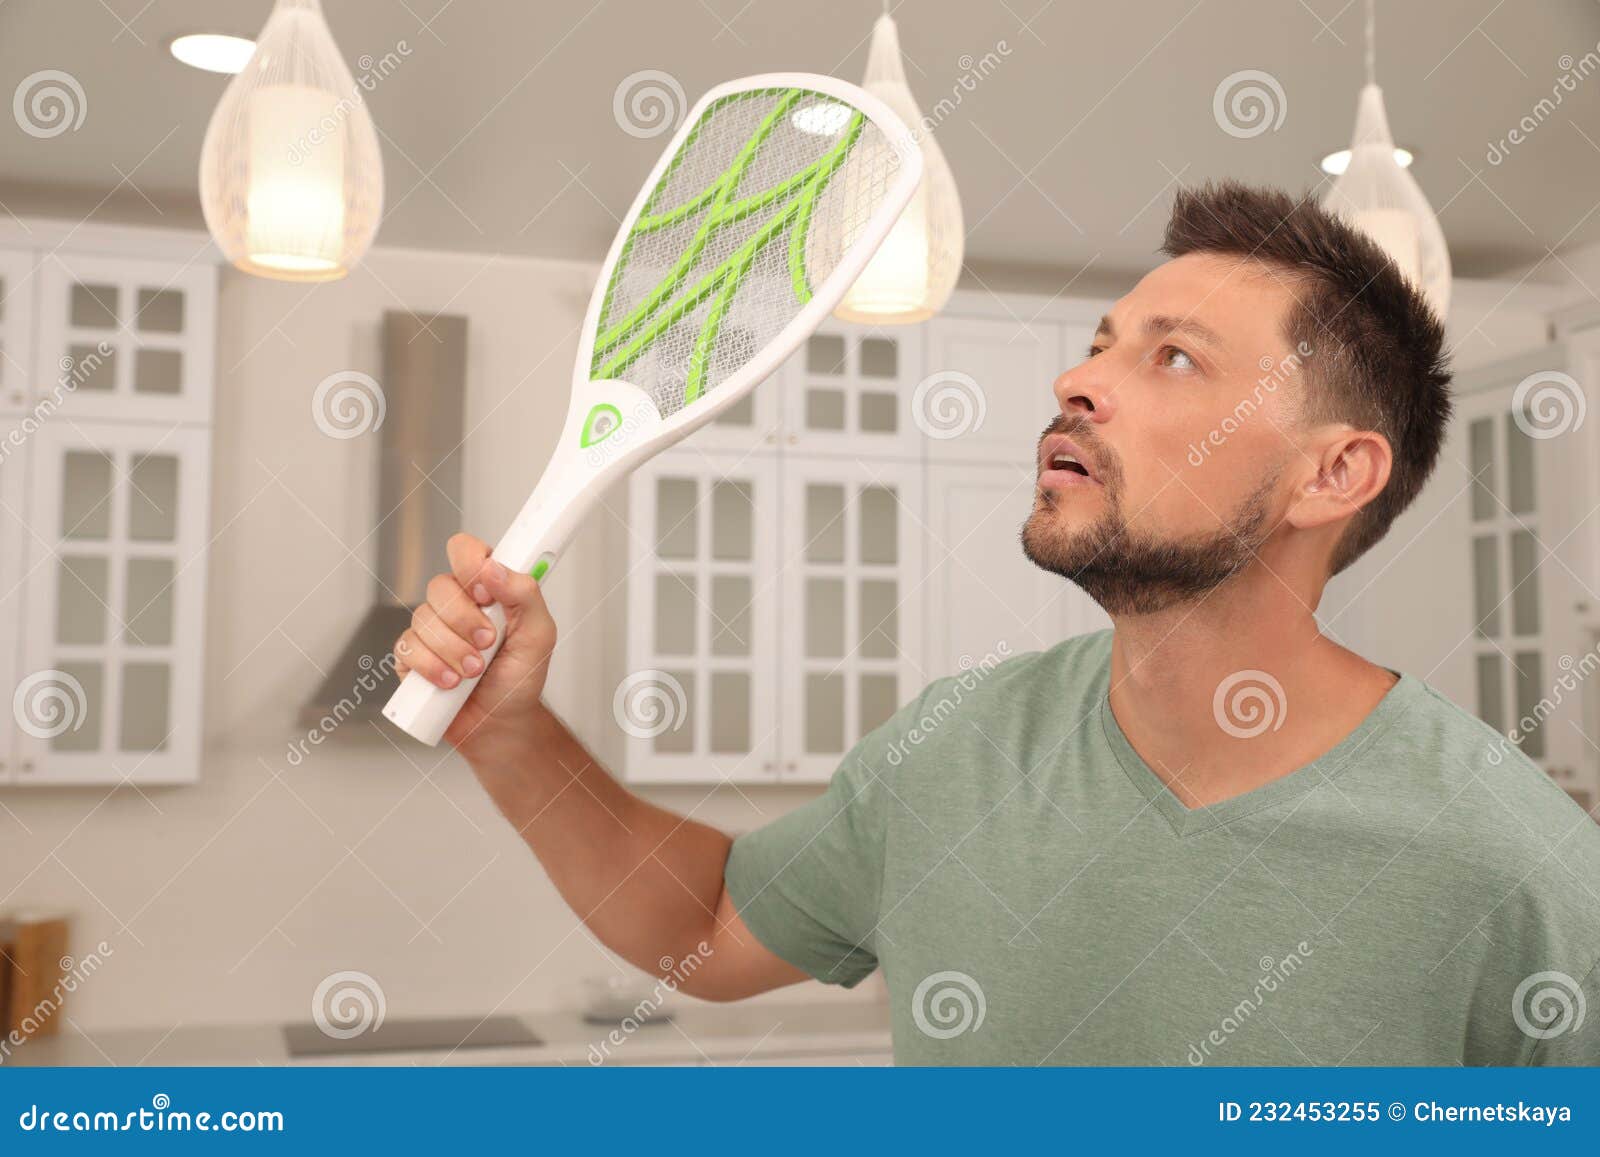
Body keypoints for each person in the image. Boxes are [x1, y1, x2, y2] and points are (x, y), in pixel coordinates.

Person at [392, 181, 1600, 1065]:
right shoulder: (957, 746)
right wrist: (509, 730)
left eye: (1172, 358)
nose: (1080, 382)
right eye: (1098, 344)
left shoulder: (1521, 870)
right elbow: (704, 930)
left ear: (1331, 475)